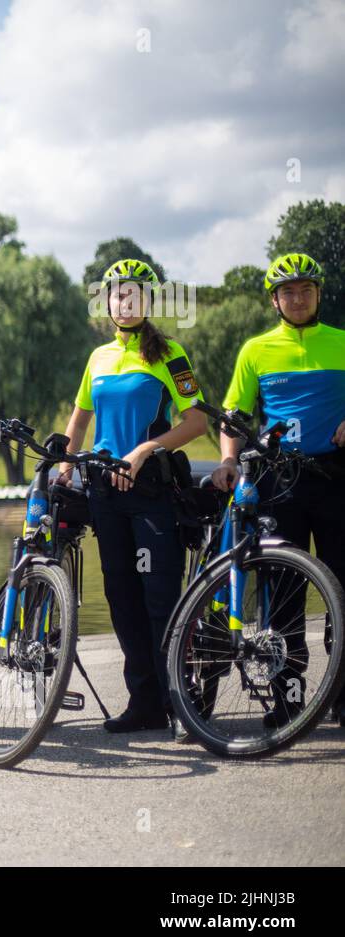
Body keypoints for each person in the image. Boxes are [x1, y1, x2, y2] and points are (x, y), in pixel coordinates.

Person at [57, 259, 207, 739]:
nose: (126, 301)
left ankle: (179, 703)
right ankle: (144, 703)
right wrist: (67, 462)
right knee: (121, 598)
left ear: (149, 301)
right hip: (105, 490)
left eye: (135, 294)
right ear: (107, 302)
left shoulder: (170, 354)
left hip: (149, 492)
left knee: (158, 598)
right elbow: (79, 418)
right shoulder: (98, 357)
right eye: (118, 294)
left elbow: (196, 422)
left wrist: (145, 449)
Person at [212, 252, 345, 727]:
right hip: (279, 480)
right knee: (284, 592)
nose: (297, 297)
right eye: (287, 291)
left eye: (306, 290)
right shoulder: (256, 350)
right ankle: (289, 699)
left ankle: (343, 695)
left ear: (318, 294)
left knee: (342, 588)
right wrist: (228, 459)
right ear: (274, 300)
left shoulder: (341, 342)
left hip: (336, 476)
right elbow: (233, 416)